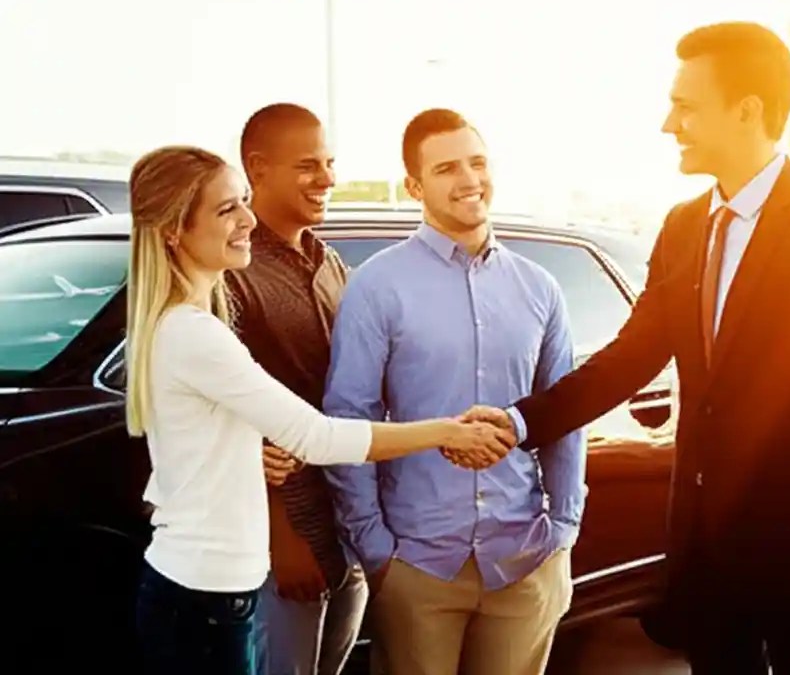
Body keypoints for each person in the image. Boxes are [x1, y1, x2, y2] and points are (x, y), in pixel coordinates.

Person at [463, 22, 790, 674]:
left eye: (686, 106)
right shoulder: (687, 225)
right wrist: (522, 420)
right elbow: (633, 354)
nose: (671, 124)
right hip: (703, 547)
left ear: (747, 110)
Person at [126, 145, 513, 675]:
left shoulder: (182, 324)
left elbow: (186, 459)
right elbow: (318, 438)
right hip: (201, 597)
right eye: (226, 210)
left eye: (243, 202)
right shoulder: (194, 335)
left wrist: (245, 455)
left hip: (203, 586)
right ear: (174, 229)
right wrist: (449, 431)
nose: (247, 220)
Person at [323, 108, 587, 675]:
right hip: (418, 564)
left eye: (478, 162)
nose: (468, 179)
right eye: (446, 168)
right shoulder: (378, 285)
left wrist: (564, 530)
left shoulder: (539, 287)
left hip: (525, 559)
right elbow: (349, 416)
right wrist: (376, 550)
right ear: (415, 186)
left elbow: (565, 413)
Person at [223, 103, 366, 675]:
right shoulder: (233, 271)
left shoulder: (328, 261)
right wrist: (282, 533)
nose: (328, 179)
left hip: (347, 527)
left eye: (330, 162)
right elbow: (232, 411)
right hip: (282, 541)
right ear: (257, 169)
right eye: (308, 165)